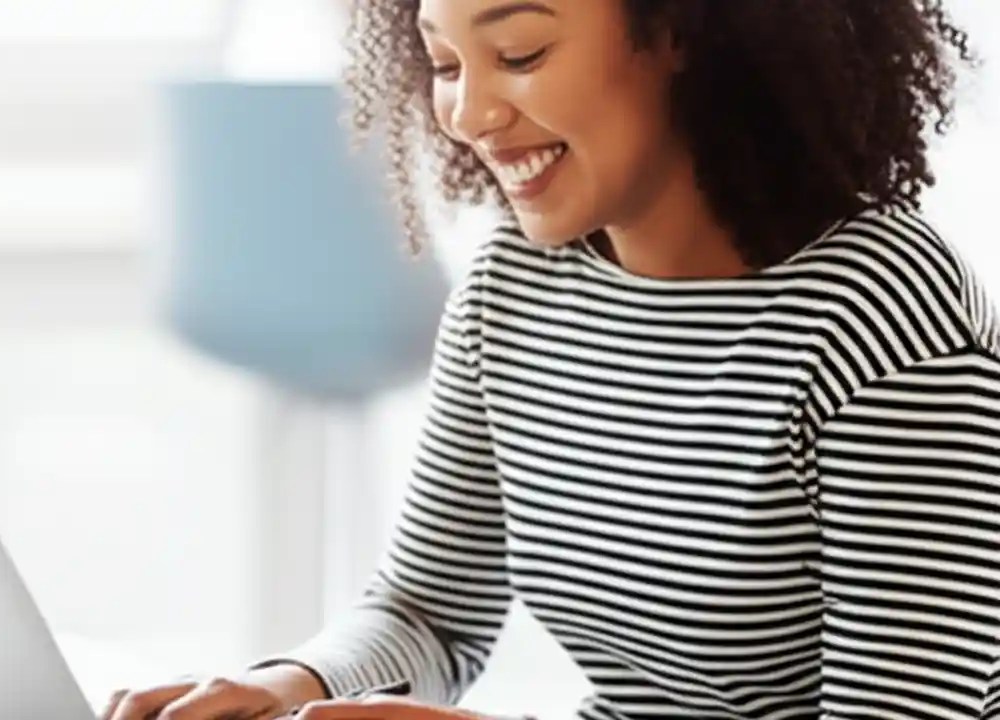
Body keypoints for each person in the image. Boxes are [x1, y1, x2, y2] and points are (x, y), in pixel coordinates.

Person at [105, 0, 1000, 718]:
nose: (466, 114)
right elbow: (429, 610)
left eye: (521, 53)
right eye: (446, 64)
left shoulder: (885, 314)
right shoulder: (512, 283)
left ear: (682, 29)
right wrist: (292, 685)